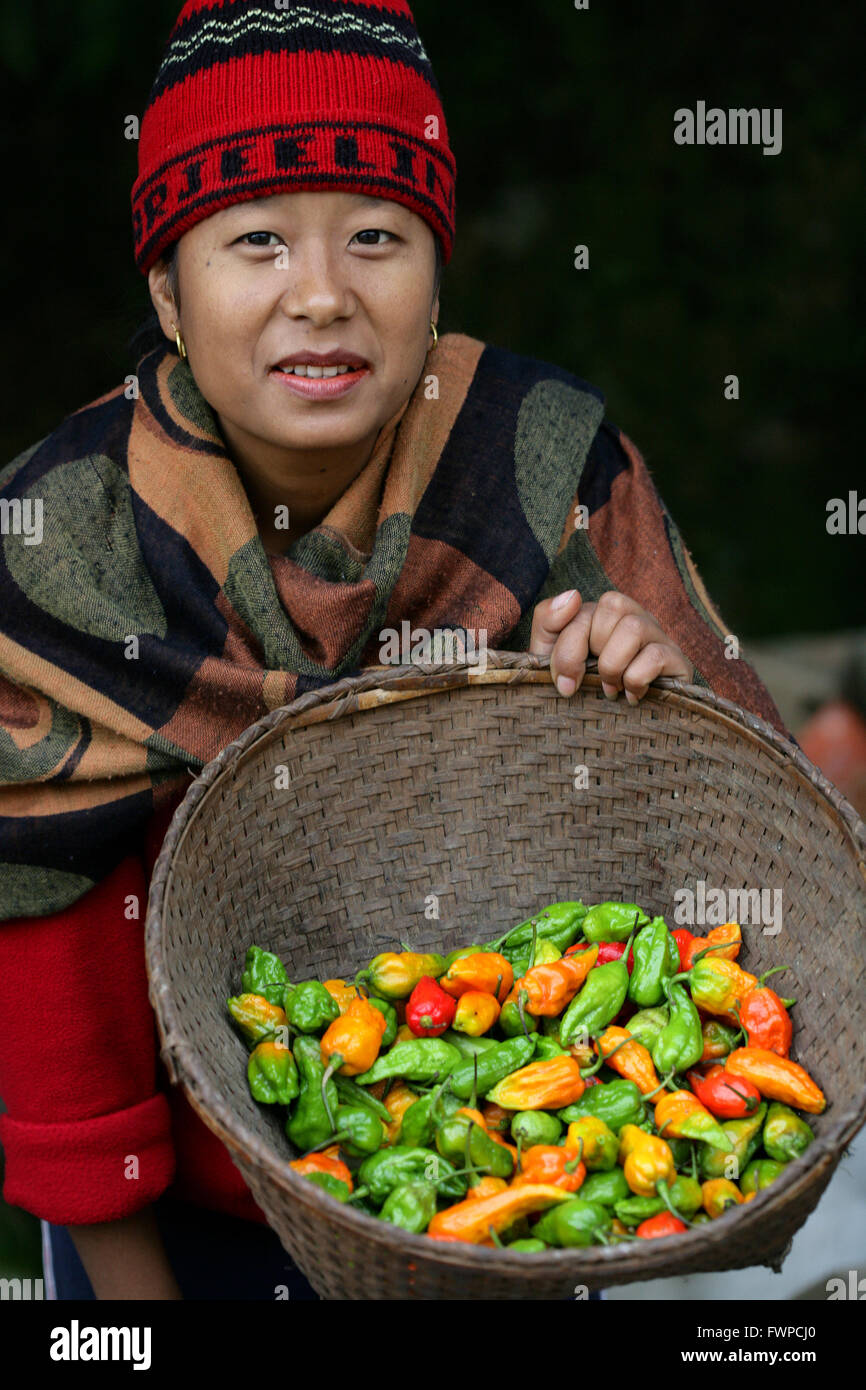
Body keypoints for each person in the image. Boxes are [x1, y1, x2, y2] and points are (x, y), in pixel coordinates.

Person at [0, 0, 788, 1300]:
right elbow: (47, 965)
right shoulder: (67, 544)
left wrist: (645, 692)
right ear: (167, 292)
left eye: (377, 236)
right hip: (174, 1232)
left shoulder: (543, 469)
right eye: (255, 242)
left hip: (504, 1198)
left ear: (437, 272)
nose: (322, 292)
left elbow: (725, 862)